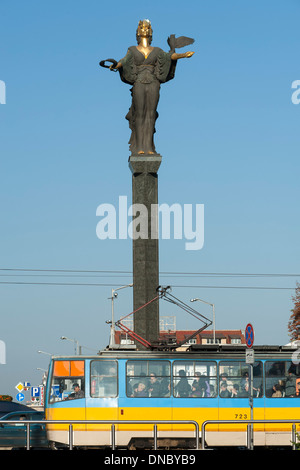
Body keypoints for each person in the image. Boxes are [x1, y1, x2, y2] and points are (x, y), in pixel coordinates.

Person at [109, 19, 194, 155]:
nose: (145, 29)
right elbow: (123, 61)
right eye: (142, 27)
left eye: (147, 27)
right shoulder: (132, 49)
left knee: (150, 115)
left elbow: (169, 56)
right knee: (140, 114)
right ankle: (139, 147)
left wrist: (183, 55)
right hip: (139, 82)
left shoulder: (157, 50)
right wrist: (115, 65)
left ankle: (149, 147)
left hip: (154, 83)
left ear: (151, 32)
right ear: (138, 32)